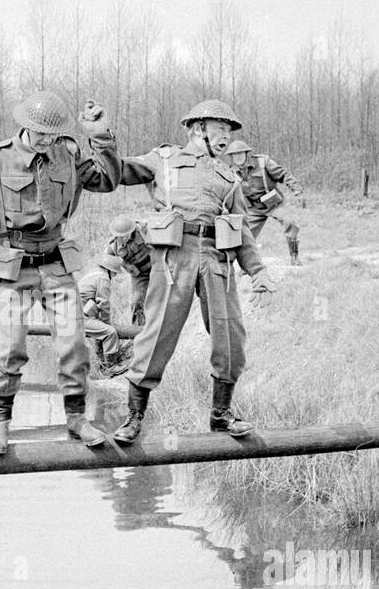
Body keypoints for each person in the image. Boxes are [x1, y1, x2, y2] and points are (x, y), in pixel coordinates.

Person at [0, 92, 121, 455]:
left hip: (56, 262)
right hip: (13, 267)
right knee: (10, 349)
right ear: (25, 127)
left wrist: (100, 134)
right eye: (40, 134)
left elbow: (107, 180)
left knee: (74, 346)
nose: (47, 141)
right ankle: (0, 423)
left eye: (52, 135)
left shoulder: (69, 152)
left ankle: (77, 418)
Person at [112, 99, 274, 445]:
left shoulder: (228, 175)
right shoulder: (165, 160)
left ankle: (221, 414)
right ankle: (134, 417)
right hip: (175, 257)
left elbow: (241, 228)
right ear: (198, 128)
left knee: (230, 334)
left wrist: (257, 271)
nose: (226, 137)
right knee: (156, 334)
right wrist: (101, 138)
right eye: (220, 129)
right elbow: (119, 171)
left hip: (217, 257)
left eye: (229, 131)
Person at [225, 139, 305, 265]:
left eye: (240, 153)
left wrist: (297, 190)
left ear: (247, 154)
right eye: (234, 155)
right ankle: (248, 266)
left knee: (290, 223)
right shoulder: (231, 172)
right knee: (246, 236)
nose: (238, 157)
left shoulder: (263, 162)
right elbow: (227, 192)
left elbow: (284, 174)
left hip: (274, 204)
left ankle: (294, 257)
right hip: (253, 208)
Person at [78, 254, 130, 374]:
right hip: (78, 317)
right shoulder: (103, 278)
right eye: (115, 273)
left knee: (101, 332)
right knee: (109, 332)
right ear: (111, 270)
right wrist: (107, 323)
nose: (115, 276)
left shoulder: (93, 273)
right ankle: (110, 367)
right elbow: (104, 304)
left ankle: (102, 365)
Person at [106, 215, 152, 325]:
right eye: (119, 236)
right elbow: (105, 261)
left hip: (156, 267)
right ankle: (137, 331)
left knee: (160, 297)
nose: (122, 239)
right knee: (136, 302)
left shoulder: (142, 229)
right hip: (140, 275)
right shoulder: (113, 247)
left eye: (124, 235)